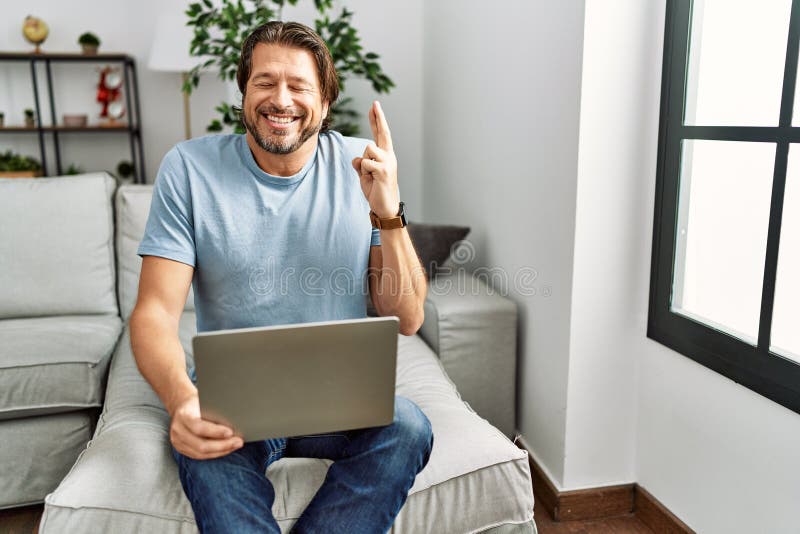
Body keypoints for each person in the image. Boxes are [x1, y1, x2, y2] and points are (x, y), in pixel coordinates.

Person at [130, 20, 433, 534]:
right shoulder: (188, 168)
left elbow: (406, 317)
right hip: (235, 401)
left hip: (340, 397)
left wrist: (388, 212)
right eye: (265, 82)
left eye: (299, 86)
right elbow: (155, 313)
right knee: (207, 451)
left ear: (325, 103)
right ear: (244, 94)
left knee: (408, 426)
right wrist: (182, 401)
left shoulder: (361, 166)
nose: (281, 99)